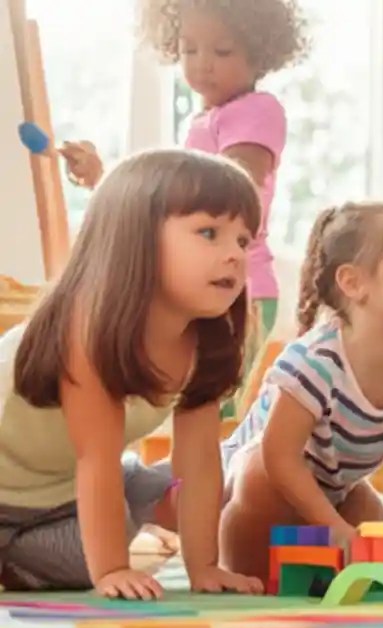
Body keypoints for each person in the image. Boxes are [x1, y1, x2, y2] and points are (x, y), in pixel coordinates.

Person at [0, 149, 264, 600]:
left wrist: (203, 566)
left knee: (217, 491)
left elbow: (198, 462)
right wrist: (112, 572)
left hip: (65, 489)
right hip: (16, 491)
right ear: (133, 239)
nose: (235, 256)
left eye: (243, 241)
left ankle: (30, 555)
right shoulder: (85, 329)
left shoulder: (207, 340)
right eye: (209, 233)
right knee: (95, 555)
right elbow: (94, 459)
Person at [62, 0, 311, 418]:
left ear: (260, 50)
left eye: (222, 51)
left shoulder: (257, 111)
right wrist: (103, 180)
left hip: (237, 289)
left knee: (211, 410)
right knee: (189, 404)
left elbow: (229, 194)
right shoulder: (206, 121)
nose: (202, 65)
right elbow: (175, 211)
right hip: (203, 286)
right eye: (189, 50)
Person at [219, 203, 383, 582]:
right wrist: (335, 529)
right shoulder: (316, 361)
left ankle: (316, 566)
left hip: (332, 488)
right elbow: (279, 458)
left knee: (371, 514)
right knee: (260, 476)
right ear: (354, 283)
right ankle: (242, 564)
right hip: (251, 481)